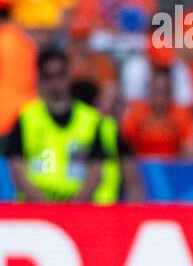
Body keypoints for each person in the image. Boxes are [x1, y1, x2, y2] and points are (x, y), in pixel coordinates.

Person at [5, 47, 126, 202]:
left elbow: (96, 167)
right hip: (34, 208)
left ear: (69, 75)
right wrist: (39, 201)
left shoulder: (90, 120)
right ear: (40, 79)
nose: (56, 82)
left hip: (77, 207)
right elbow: (16, 165)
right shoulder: (27, 118)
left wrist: (76, 203)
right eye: (49, 76)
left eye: (60, 74)